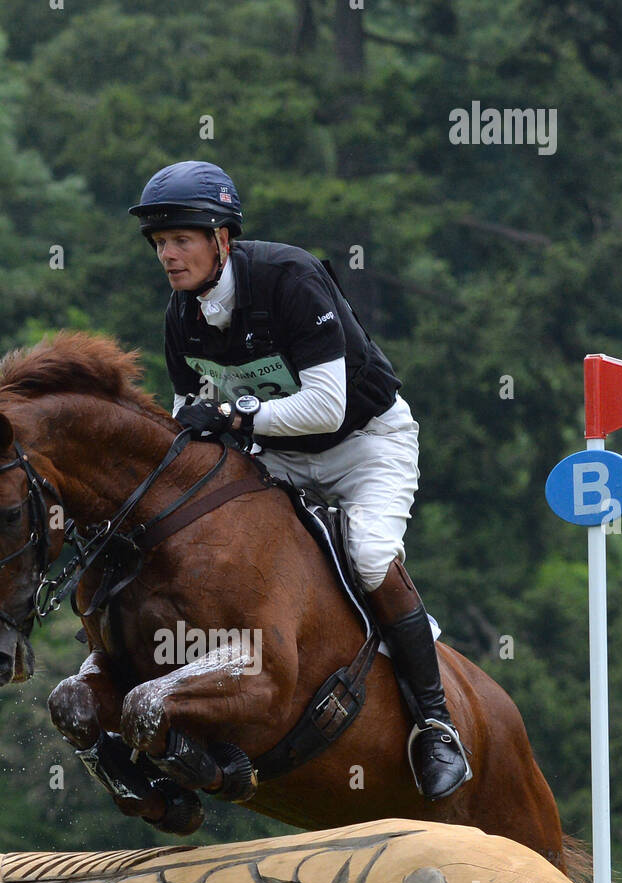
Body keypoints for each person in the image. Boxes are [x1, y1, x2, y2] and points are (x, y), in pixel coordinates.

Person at [129, 160, 471, 801]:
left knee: (368, 557)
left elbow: (326, 407)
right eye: (159, 244)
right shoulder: (182, 316)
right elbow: (187, 419)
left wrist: (232, 412)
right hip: (279, 455)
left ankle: (434, 722)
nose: (168, 257)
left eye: (180, 240)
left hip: (365, 444)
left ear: (222, 237)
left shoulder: (290, 277)